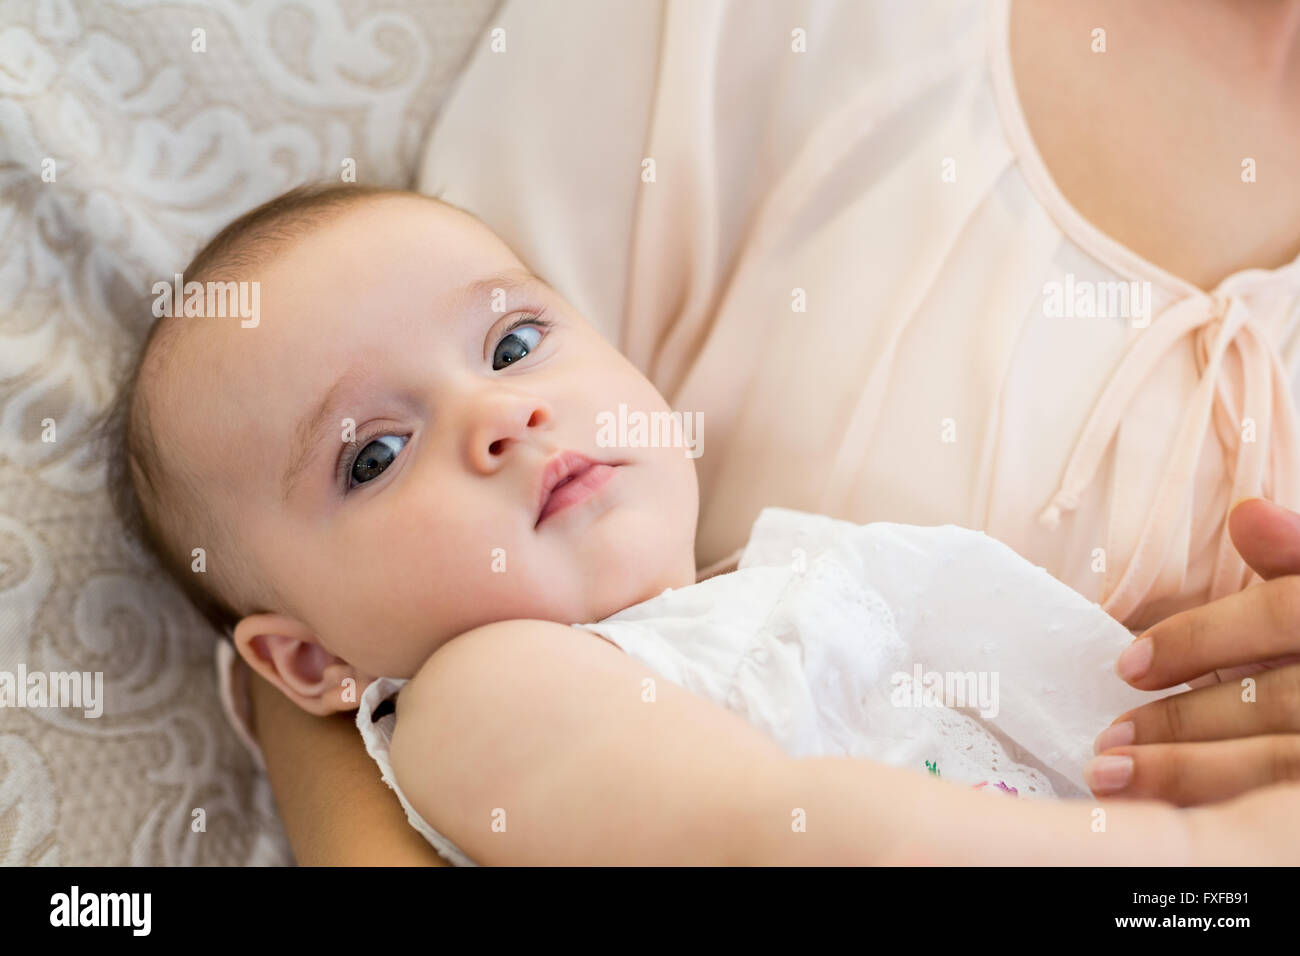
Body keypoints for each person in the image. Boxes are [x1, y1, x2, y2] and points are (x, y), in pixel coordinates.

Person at [246, 0, 1300, 862]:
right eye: (375, 455)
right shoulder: (486, 691)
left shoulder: (797, 580)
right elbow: (790, 834)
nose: (499, 415)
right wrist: (1209, 855)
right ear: (306, 657)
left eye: (516, 347)